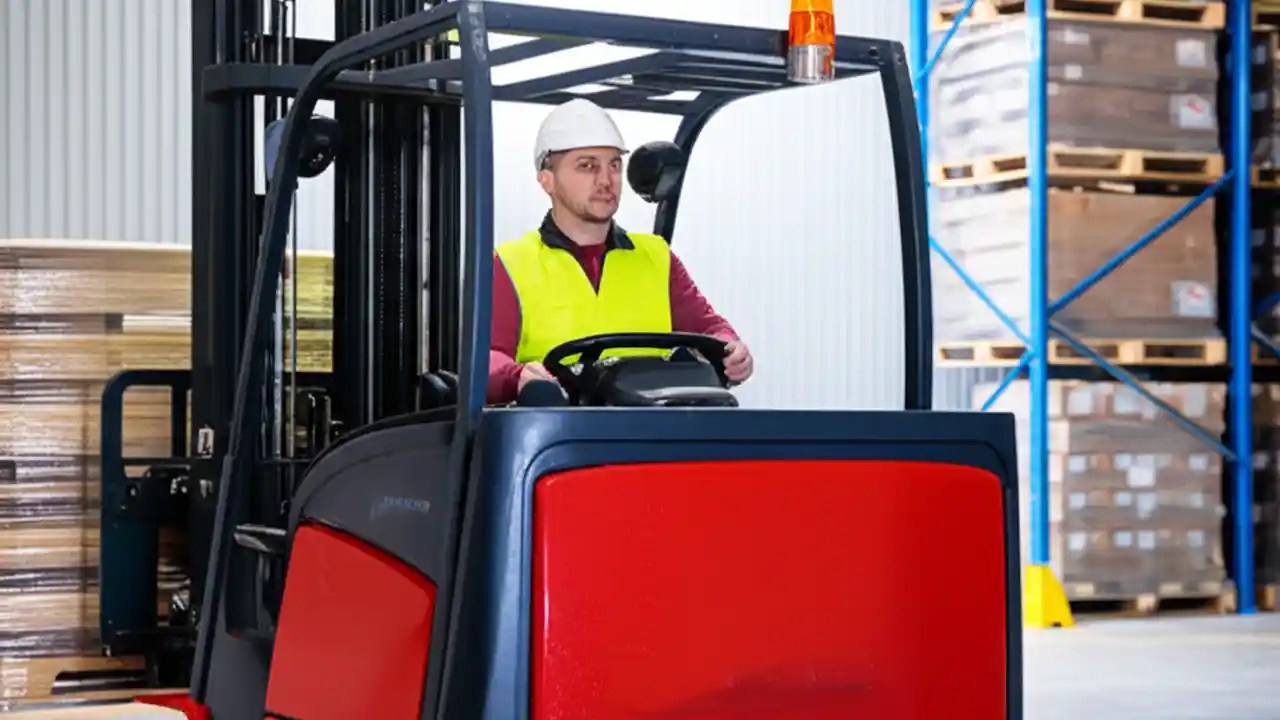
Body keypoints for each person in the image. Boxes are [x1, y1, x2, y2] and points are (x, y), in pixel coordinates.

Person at [487, 98, 753, 404]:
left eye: (614, 165)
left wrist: (731, 347)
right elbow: (486, 361)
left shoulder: (655, 256)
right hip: (561, 439)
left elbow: (709, 328)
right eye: (587, 166)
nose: (605, 180)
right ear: (547, 180)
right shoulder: (511, 262)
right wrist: (517, 375)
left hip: (652, 434)